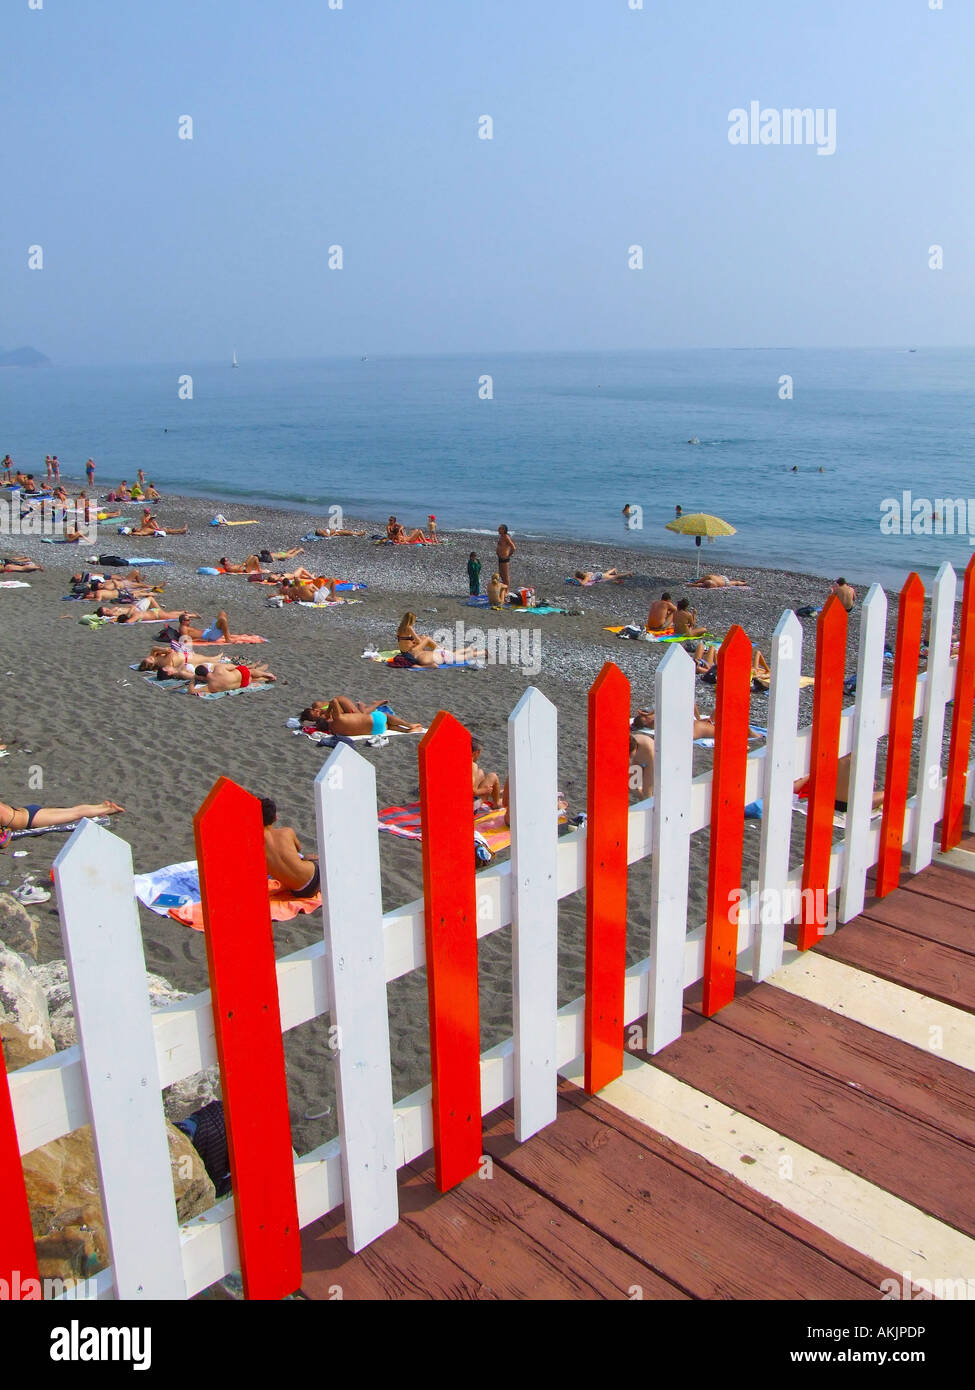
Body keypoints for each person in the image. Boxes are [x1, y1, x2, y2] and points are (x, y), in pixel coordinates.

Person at [260, 798, 320, 898]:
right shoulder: (287, 831)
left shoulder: (256, 846)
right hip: (316, 877)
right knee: (305, 857)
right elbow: (298, 848)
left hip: (300, 892)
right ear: (275, 818)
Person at [0, 797, 124, 843]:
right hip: (26, 812)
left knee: (74, 814)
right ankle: (103, 807)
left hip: (31, 820)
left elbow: (4, 841)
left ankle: (105, 809)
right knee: (74, 812)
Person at [794, 753, 883, 813]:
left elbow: (795, 786)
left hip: (828, 799)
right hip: (849, 802)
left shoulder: (826, 752)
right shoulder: (859, 751)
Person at [300, 696, 424, 737]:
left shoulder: (334, 731)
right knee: (385, 716)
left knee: (389, 726)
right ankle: (409, 725)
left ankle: (406, 730)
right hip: (377, 719)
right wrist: (327, 713)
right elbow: (334, 701)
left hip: (377, 730)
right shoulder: (338, 718)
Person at [188, 661, 276, 695]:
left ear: (201, 677)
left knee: (251, 678)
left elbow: (191, 691)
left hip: (243, 684)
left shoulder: (211, 687)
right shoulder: (218, 668)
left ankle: (265, 677)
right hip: (243, 673)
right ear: (207, 669)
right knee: (249, 671)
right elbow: (234, 667)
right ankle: (265, 673)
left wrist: (193, 679)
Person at [472, 739, 504, 808]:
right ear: (476, 753)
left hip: (456, 800)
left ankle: (495, 793)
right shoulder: (473, 765)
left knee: (480, 772)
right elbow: (471, 791)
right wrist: (485, 790)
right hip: (468, 808)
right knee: (493, 776)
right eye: (479, 753)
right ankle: (496, 804)